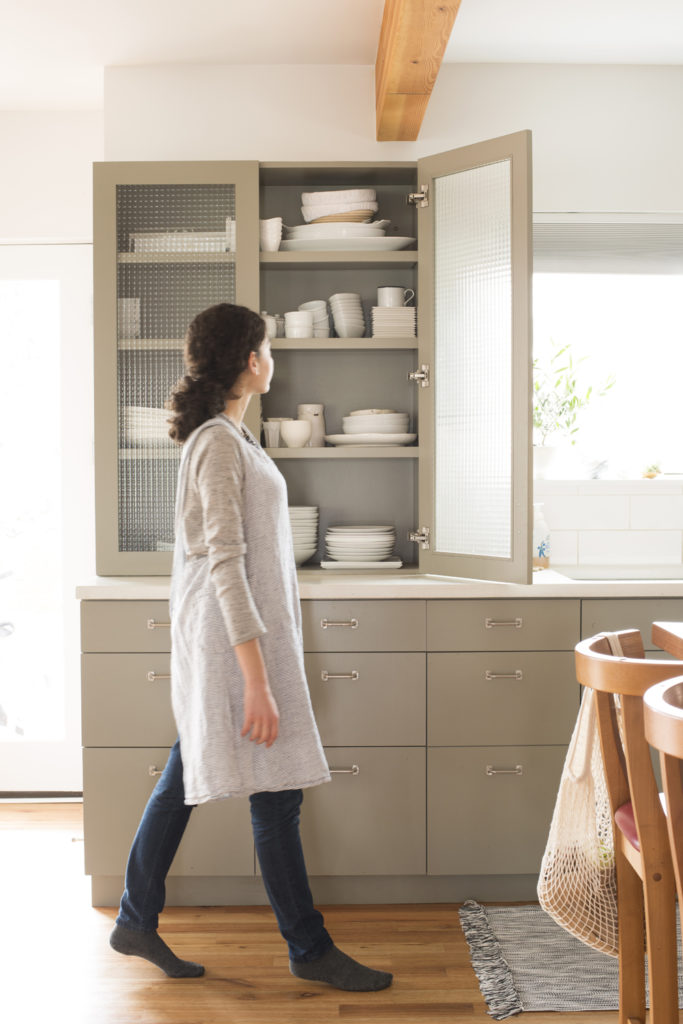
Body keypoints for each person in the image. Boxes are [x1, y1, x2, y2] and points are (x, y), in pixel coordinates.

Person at [109, 302, 392, 992]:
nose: (275, 359)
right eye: (267, 347)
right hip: (231, 650)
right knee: (276, 791)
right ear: (248, 360)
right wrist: (257, 679)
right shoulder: (215, 443)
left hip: (238, 644)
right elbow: (224, 564)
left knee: (187, 778)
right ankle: (307, 947)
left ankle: (135, 918)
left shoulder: (234, 439)